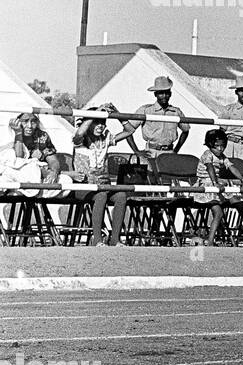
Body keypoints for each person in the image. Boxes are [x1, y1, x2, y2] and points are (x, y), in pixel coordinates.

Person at [70, 107, 132, 245]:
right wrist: (95, 112)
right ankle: (97, 240)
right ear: (88, 122)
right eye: (96, 122)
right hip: (84, 186)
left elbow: (129, 131)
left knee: (121, 195)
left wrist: (116, 112)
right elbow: (80, 132)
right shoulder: (80, 140)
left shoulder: (106, 138)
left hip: (103, 185)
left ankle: (115, 239)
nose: (100, 125)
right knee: (101, 196)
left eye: (103, 122)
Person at [194, 128, 243, 245]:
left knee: (237, 202)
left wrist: (242, 180)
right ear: (209, 145)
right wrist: (215, 183)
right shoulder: (207, 155)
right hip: (207, 185)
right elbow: (210, 168)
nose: (220, 149)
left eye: (222, 146)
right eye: (216, 146)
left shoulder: (222, 157)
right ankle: (210, 240)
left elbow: (231, 167)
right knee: (218, 213)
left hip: (218, 185)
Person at [123, 76, 189, 166]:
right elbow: (127, 130)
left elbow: (186, 130)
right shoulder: (146, 110)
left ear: (170, 94)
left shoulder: (176, 112)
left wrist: (176, 150)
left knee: (167, 179)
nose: (164, 96)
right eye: (161, 93)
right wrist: (136, 151)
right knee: (151, 178)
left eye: (167, 93)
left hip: (169, 153)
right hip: (151, 153)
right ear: (155, 94)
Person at [9, 112, 62, 184]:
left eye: (33, 121)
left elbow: (53, 160)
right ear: (17, 121)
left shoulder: (42, 136)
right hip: (17, 173)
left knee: (65, 180)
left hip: (38, 174)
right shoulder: (9, 135)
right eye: (25, 121)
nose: (30, 126)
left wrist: (54, 172)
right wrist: (18, 133)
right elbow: (18, 160)